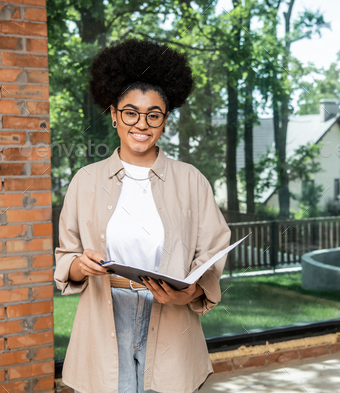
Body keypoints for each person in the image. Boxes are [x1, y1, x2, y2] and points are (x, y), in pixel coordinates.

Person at [54, 38, 232, 393]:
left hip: (170, 318)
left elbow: (211, 253)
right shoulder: (85, 181)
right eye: (131, 112)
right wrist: (81, 265)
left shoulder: (191, 180)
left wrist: (189, 293)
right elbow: (66, 258)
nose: (142, 123)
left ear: (164, 121)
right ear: (114, 114)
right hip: (106, 315)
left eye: (154, 114)